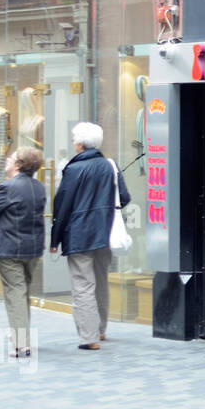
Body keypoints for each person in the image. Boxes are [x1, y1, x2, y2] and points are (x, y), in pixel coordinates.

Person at [50, 122, 130, 350]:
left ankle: (89, 337)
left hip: (79, 235)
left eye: (74, 139)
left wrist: (54, 239)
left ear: (80, 144)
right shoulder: (110, 166)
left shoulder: (73, 170)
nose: (73, 142)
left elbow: (62, 206)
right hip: (105, 232)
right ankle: (101, 329)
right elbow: (123, 197)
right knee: (100, 280)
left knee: (83, 285)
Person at [0, 148, 47, 358]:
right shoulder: (39, 187)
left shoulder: (6, 188)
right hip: (32, 248)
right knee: (22, 292)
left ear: (18, 165)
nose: (7, 160)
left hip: (9, 248)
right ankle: (21, 336)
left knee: (15, 294)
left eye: (12, 158)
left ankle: (21, 344)